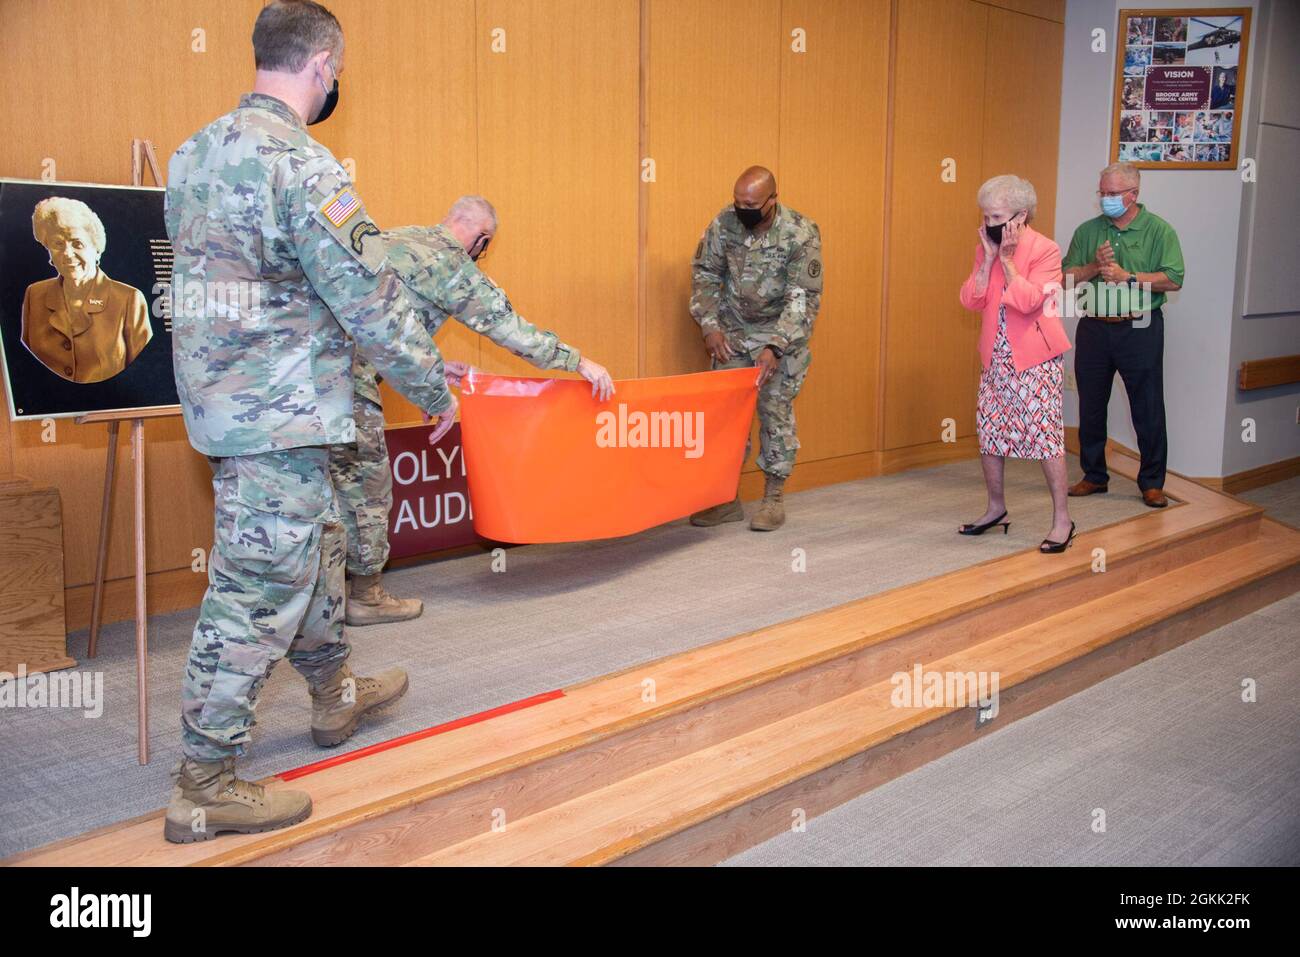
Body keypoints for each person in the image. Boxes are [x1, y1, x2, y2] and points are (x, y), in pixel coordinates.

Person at [162, 0, 459, 843]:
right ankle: (204, 781)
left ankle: (333, 692)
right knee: (256, 591)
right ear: (324, 63)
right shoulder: (305, 167)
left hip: (225, 408)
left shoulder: (193, 154)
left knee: (312, 552)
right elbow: (371, 301)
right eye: (338, 69)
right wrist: (434, 390)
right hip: (283, 416)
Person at [333, 195, 615, 625]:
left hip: (304, 378)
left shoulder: (397, 238)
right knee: (366, 491)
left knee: (318, 493)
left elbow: (379, 327)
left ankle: (317, 601)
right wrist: (578, 361)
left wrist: (434, 364)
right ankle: (366, 597)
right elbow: (511, 330)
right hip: (345, 390)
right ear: (482, 239)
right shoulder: (454, 267)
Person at [687, 165, 822, 531]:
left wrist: (776, 347)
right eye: (737, 201)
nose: (741, 208)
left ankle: (773, 499)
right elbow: (705, 272)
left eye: (750, 203)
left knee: (774, 413)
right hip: (732, 334)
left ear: (772, 200)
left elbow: (802, 299)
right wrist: (710, 326)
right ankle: (725, 499)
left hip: (782, 336)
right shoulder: (725, 222)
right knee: (725, 419)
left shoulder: (800, 233)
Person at [958, 175, 1075, 553]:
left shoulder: (1046, 251)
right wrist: (988, 260)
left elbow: (1027, 301)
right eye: (985, 216)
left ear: (1020, 216)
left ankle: (1063, 520)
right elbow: (971, 300)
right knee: (991, 433)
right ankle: (996, 508)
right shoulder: (986, 248)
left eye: (996, 216)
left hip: (1035, 357)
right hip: (995, 356)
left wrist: (1007, 262)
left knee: (1046, 438)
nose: (989, 224)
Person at [1063, 162, 1184, 508]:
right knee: (1091, 403)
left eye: (1113, 193)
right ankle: (1094, 475)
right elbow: (1065, 280)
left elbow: (1174, 279)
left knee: (1146, 406)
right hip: (1094, 328)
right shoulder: (1088, 231)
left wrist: (1129, 277)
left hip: (1139, 327)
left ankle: (1152, 483)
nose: (1106, 199)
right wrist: (1094, 268)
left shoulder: (1159, 230)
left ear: (1133, 195)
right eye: (1102, 192)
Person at [22, 197, 152, 383]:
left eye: (77, 243)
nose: (67, 253)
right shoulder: (34, 295)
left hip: (108, 405)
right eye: (58, 244)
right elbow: (26, 362)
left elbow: (144, 373)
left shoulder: (128, 299)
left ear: (96, 249)